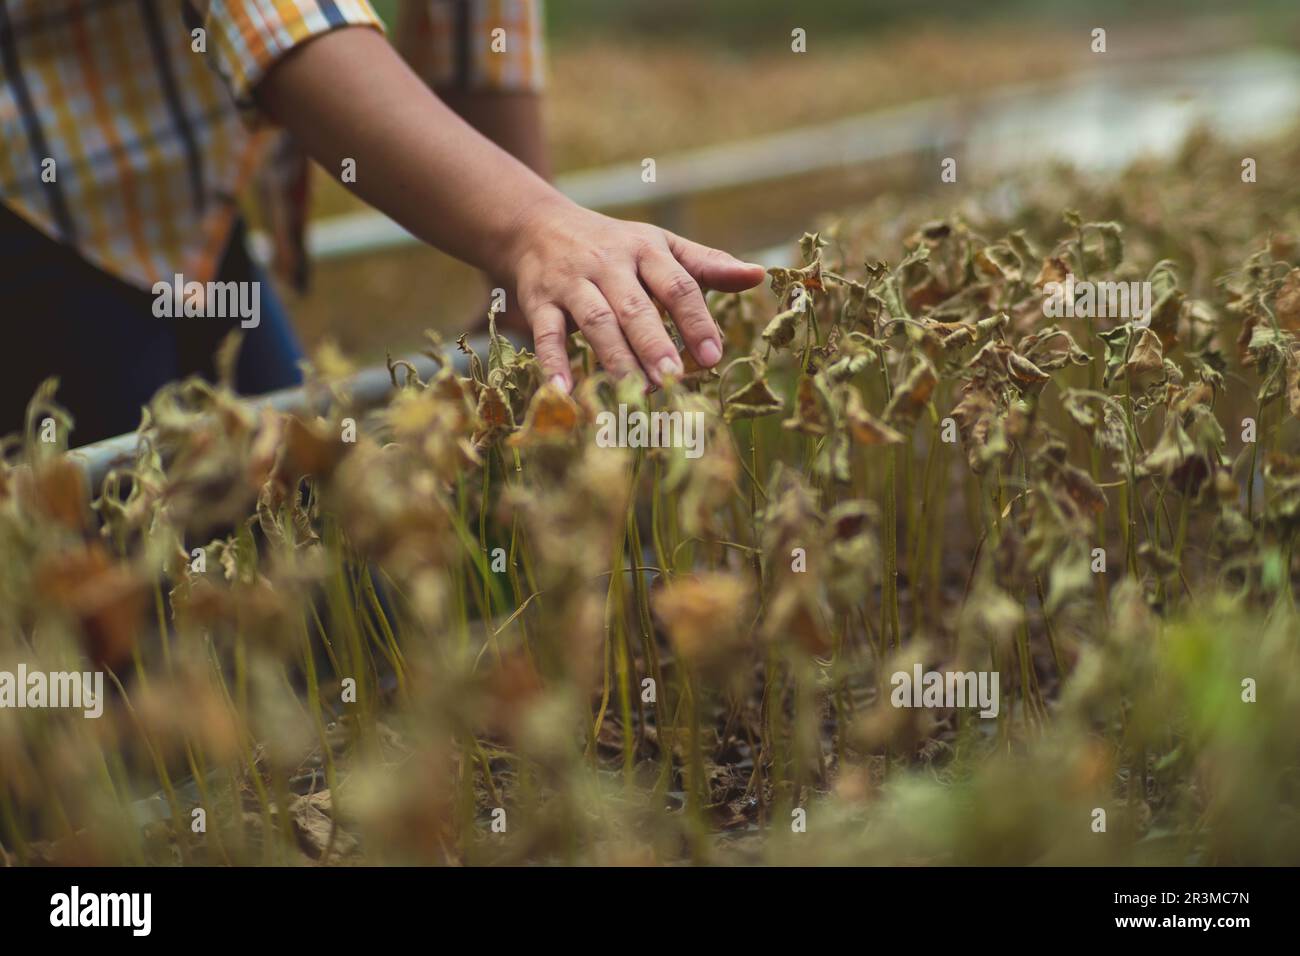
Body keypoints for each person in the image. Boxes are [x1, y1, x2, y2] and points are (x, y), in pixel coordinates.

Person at [0, 0, 766, 447]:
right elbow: (283, 19)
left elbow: (479, 20)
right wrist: (530, 226)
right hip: (33, 195)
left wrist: (527, 276)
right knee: (124, 601)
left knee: (283, 547)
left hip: (181, 196)